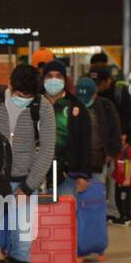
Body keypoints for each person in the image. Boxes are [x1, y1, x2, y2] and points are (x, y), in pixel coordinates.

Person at [0, 63, 55, 263]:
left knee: (22, 241)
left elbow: (46, 149)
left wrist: (28, 187)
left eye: (29, 97)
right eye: (20, 95)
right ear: (10, 86)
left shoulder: (43, 107)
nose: (24, 100)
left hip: (23, 185)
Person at [75, 75, 127, 224]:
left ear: (95, 94)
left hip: (98, 161)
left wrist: (111, 153)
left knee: (96, 195)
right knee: (77, 197)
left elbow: (115, 130)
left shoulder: (106, 106)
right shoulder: (72, 106)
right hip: (76, 162)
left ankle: (94, 224)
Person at [41, 60, 93, 202]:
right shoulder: (35, 104)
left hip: (68, 174)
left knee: (66, 218)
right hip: (37, 176)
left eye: (58, 76)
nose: (53, 79)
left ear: (65, 79)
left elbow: (85, 141)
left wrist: (83, 174)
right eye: (49, 76)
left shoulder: (75, 106)